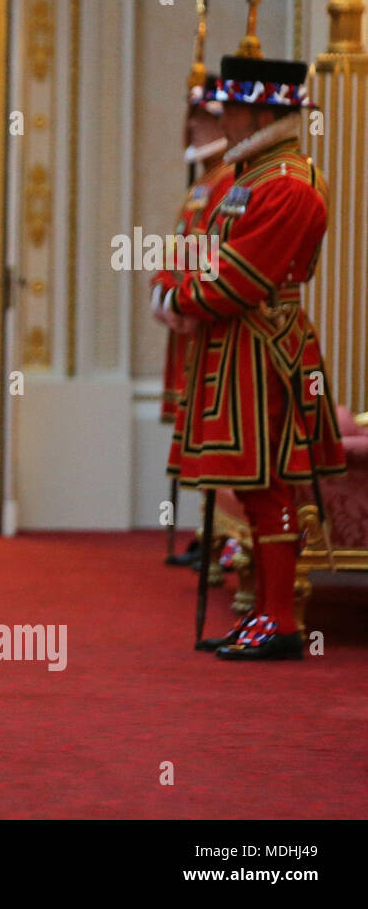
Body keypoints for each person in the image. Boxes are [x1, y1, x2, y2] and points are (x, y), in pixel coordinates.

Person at [161, 51, 346, 660]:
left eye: (236, 108)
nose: (227, 119)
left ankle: (279, 621)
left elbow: (238, 279)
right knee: (256, 490)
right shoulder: (249, 177)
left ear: (266, 111)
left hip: (263, 349)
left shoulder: (287, 184)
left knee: (269, 489)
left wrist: (183, 295)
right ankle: (267, 615)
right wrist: (182, 286)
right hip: (235, 345)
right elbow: (203, 256)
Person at [151, 74, 233, 567]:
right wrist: (164, 286)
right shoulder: (203, 183)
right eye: (193, 117)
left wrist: (181, 294)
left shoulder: (228, 183)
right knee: (196, 430)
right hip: (186, 318)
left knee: (214, 429)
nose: (193, 127)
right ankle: (210, 526)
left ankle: (222, 531)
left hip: (204, 318)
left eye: (204, 118)